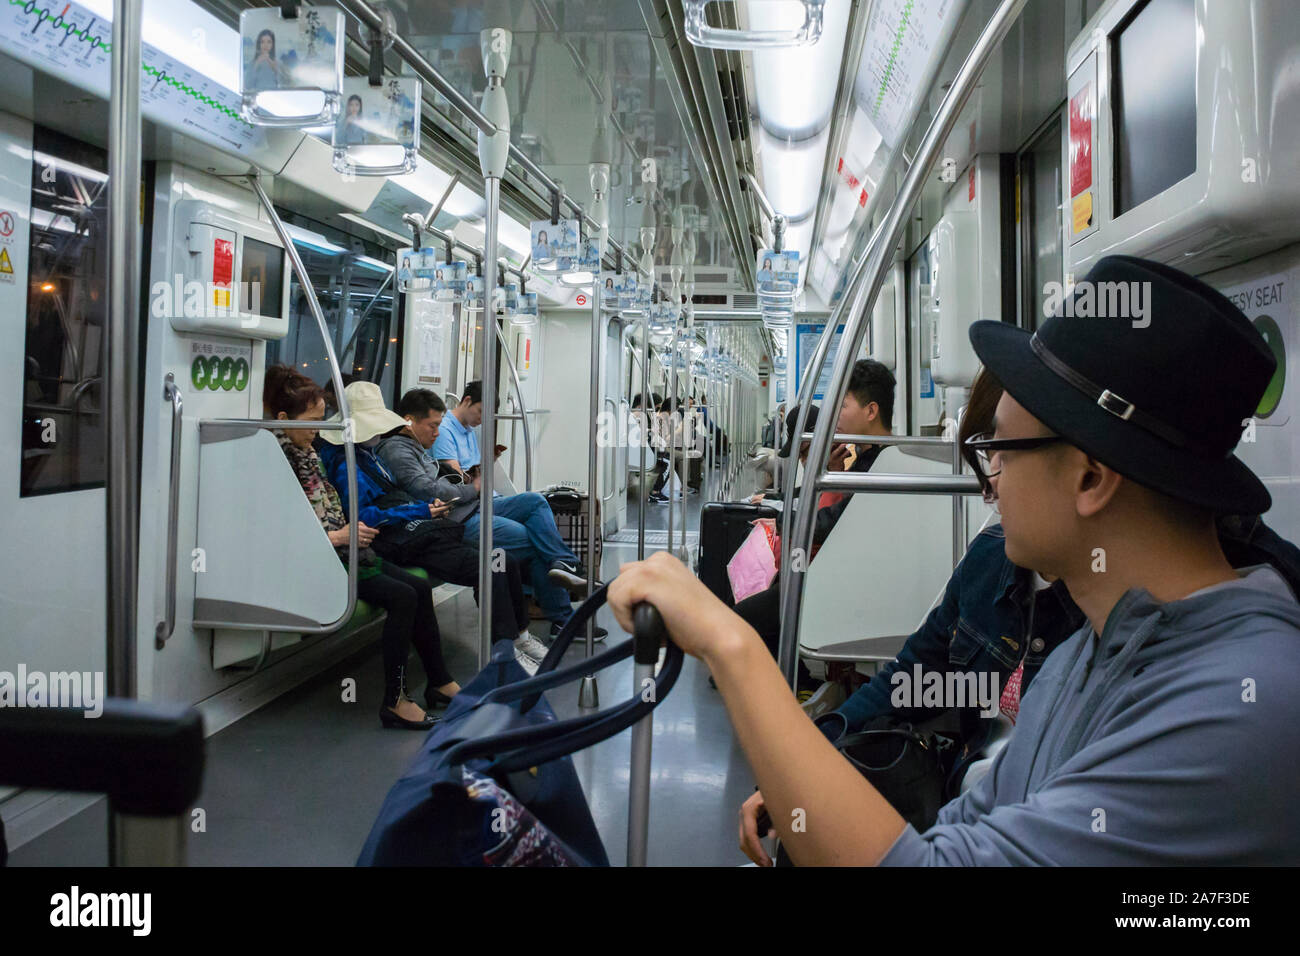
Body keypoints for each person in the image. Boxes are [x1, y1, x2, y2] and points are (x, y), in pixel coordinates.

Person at [607, 255, 1300, 866]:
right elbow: (959, 821)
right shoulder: (1081, 657)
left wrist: (733, 646)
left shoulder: (1241, 708)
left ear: (1090, 479)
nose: (988, 475)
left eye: (1000, 450)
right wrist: (812, 763)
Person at [263, 366, 459, 729]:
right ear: (282, 419)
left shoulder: (310, 455)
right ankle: (395, 701)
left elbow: (334, 511)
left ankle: (440, 682)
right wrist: (338, 537)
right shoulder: (275, 463)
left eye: (322, 421)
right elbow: (276, 531)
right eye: (311, 421)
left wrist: (348, 533)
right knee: (402, 597)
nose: (318, 430)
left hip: (345, 549)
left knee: (416, 587)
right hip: (319, 559)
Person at [316, 381, 546, 673]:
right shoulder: (347, 461)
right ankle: (504, 655)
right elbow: (365, 514)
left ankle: (520, 638)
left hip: (419, 528)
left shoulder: (368, 454)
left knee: (504, 560)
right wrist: (422, 509)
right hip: (398, 537)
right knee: (493, 567)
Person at [379, 388, 605, 642]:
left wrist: (472, 483)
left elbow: (443, 481)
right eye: (432, 426)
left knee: (534, 501)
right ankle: (563, 619)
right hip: (456, 519)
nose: (436, 432)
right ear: (409, 420)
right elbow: (427, 489)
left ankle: (567, 563)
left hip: (471, 505)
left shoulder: (416, 446)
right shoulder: (397, 450)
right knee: (536, 542)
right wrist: (472, 487)